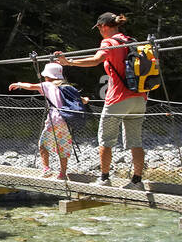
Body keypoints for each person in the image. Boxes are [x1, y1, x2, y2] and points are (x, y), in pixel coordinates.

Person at [54, 13, 147, 187]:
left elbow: (96, 60)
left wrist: (69, 62)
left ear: (103, 26)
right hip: (139, 97)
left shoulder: (109, 42)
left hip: (118, 98)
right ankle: (137, 181)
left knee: (105, 140)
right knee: (135, 141)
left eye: (98, 28)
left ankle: (104, 179)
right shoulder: (131, 41)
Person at [9, 62, 89, 179]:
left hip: (54, 121)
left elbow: (31, 86)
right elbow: (82, 100)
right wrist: (86, 99)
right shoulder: (68, 87)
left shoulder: (47, 85)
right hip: (67, 121)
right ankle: (62, 174)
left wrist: (19, 84)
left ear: (48, 76)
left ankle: (46, 169)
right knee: (63, 147)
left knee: (43, 145)